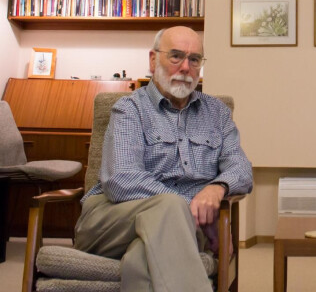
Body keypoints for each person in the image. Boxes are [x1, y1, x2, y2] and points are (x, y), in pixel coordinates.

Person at [74, 26, 253, 292]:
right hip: (110, 219)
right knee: (169, 208)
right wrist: (188, 206)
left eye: (194, 60)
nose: (185, 67)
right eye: (176, 56)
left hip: (179, 230)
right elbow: (121, 179)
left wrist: (218, 188)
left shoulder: (217, 113)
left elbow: (242, 169)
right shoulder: (130, 108)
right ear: (153, 59)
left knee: (141, 259)